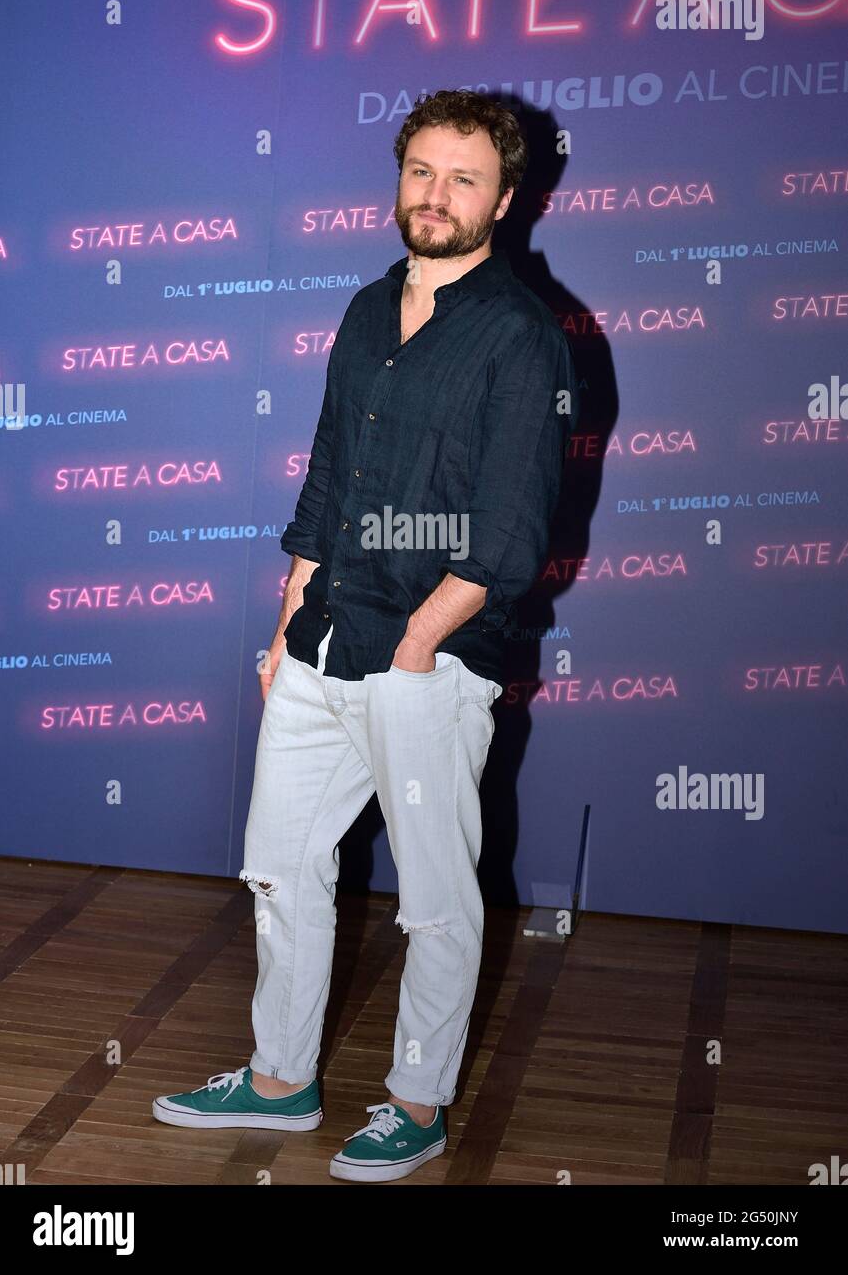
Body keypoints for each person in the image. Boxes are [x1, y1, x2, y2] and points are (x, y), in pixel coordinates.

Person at [153, 89, 578, 1182]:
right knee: (281, 873)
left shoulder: (523, 338)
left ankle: (416, 1103)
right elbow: (328, 476)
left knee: (434, 901)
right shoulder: (362, 310)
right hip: (321, 645)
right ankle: (282, 1079)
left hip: (424, 665)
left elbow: (509, 532)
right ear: (400, 179)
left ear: (506, 198)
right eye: (422, 171)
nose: (436, 195)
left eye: (464, 178)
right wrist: (289, 623)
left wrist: (416, 646)